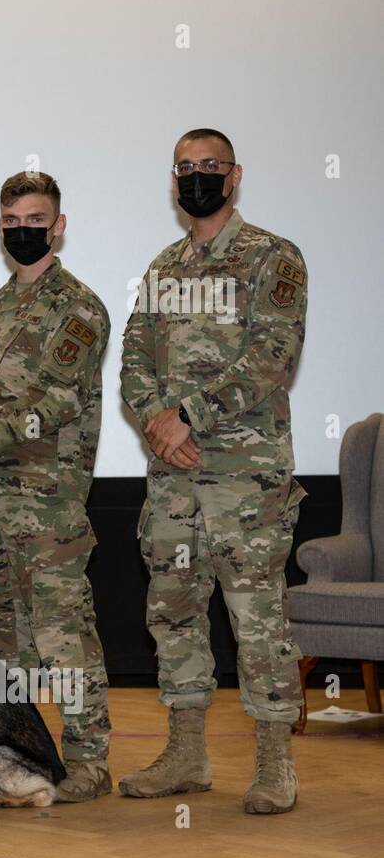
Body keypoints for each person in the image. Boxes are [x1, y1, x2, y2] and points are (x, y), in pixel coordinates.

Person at [120, 128, 308, 814]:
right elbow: (134, 356)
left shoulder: (271, 257)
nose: (196, 177)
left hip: (245, 476)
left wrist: (187, 415)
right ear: (174, 182)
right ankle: (186, 754)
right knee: (172, 612)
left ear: (234, 176)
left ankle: (274, 763)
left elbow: (271, 357)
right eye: (185, 168)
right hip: (173, 477)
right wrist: (155, 423)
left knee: (256, 617)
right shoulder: (162, 268)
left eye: (209, 167)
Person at [0, 171, 113, 801]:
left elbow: (58, 404)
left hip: (45, 499)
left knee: (62, 639)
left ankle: (88, 761)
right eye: (11, 222)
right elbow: (18, 391)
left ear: (58, 227)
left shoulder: (80, 306)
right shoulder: (3, 300)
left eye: (35, 221)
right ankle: (8, 752)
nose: (22, 231)